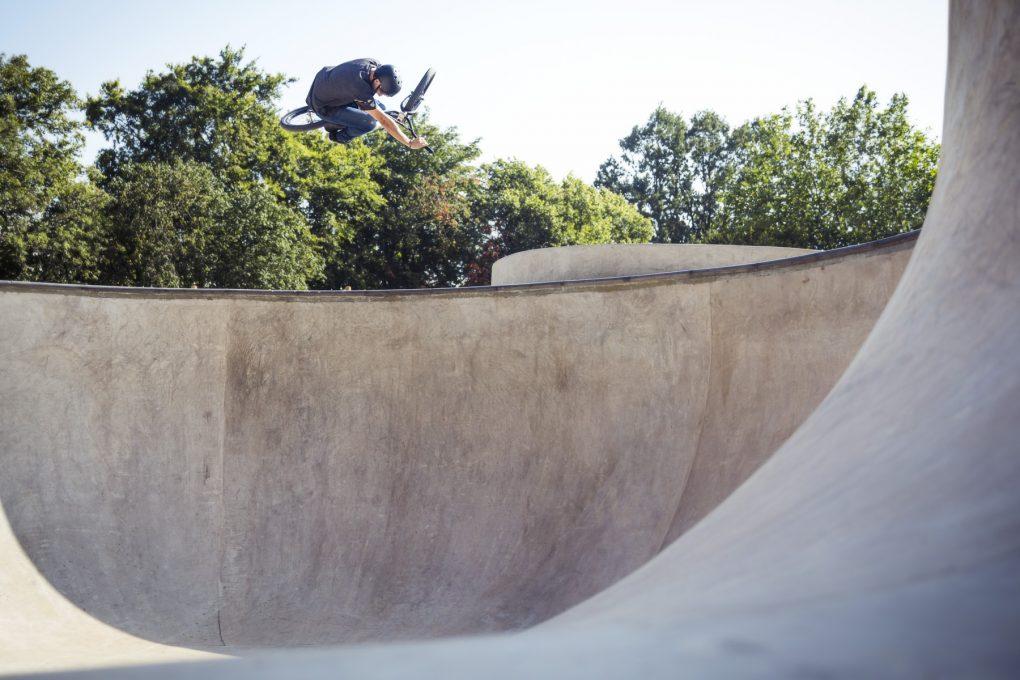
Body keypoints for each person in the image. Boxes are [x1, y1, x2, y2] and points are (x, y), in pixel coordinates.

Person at [305, 58, 428, 149]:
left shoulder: (373, 64)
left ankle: (347, 117)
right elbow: (384, 121)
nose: (380, 95)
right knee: (369, 124)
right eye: (381, 91)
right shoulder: (360, 89)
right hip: (323, 105)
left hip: (324, 78)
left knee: (381, 107)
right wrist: (409, 143)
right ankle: (339, 137)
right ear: (377, 80)